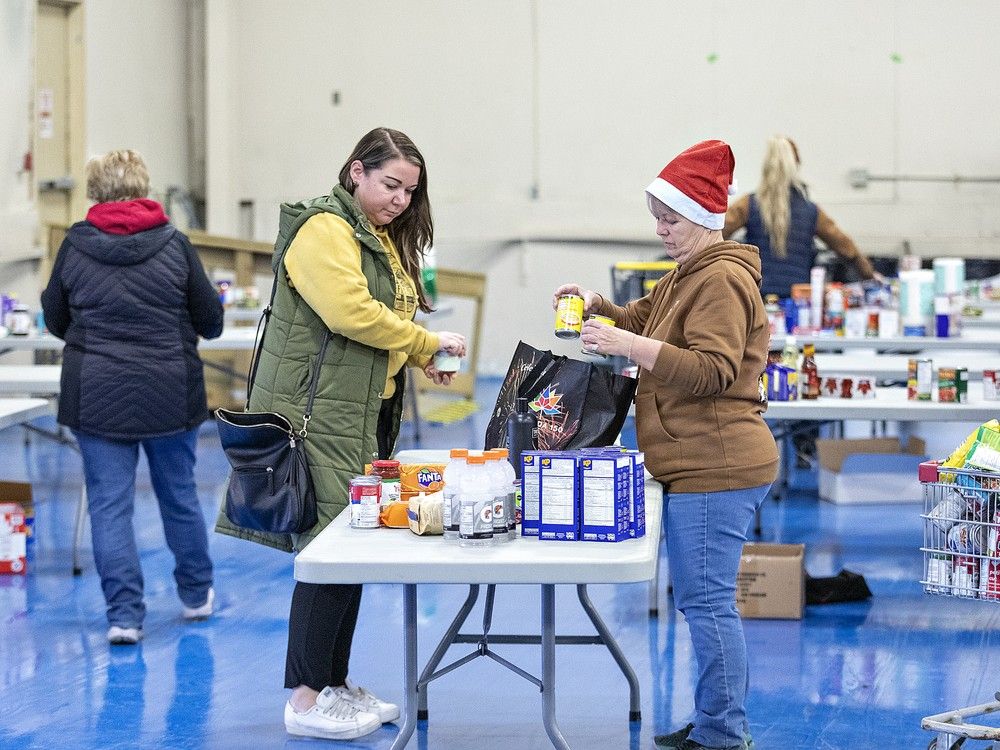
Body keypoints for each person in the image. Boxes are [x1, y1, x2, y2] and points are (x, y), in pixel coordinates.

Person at [214, 128, 467, 742]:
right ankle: (303, 699)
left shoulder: (375, 236)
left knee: (351, 548)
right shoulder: (323, 229)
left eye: (410, 190)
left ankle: (332, 684)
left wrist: (415, 357)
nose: (401, 199)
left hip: (361, 414)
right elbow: (351, 312)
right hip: (315, 418)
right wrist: (425, 343)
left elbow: (386, 323)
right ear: (356, 172)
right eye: (390, 184)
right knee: (326, 556)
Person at [553, 140, 778, 750]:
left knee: (708, 606)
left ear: (704, 215)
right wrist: (599, 309)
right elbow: (642, 318)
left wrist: (626, 348)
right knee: (703, 605)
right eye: (657, 218)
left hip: (719, 463)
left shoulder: (723, 280)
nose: (661, 230)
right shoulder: (688, 273)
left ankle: (724, 736)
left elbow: (712, 369)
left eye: (670, 219)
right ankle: (715, 725)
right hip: (696, 460)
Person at [41, 149, 223, 646]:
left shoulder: (74, 248)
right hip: (170, 393)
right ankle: (195, 595)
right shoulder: (176, 246)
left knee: (108, 505)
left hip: (95, 396)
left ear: (94, 193)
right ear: (144, 189)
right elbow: (211, 320)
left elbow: (54, 318)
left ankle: (124, 616)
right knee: (179, 497)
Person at [723, 134, 877, 298]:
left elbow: (717, 231)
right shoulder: (811, 210)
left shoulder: (748, 204)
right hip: (798, 300)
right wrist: (869, 275)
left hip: (758, 298)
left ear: (766, 167)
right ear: (795, 166)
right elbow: (846, 248)